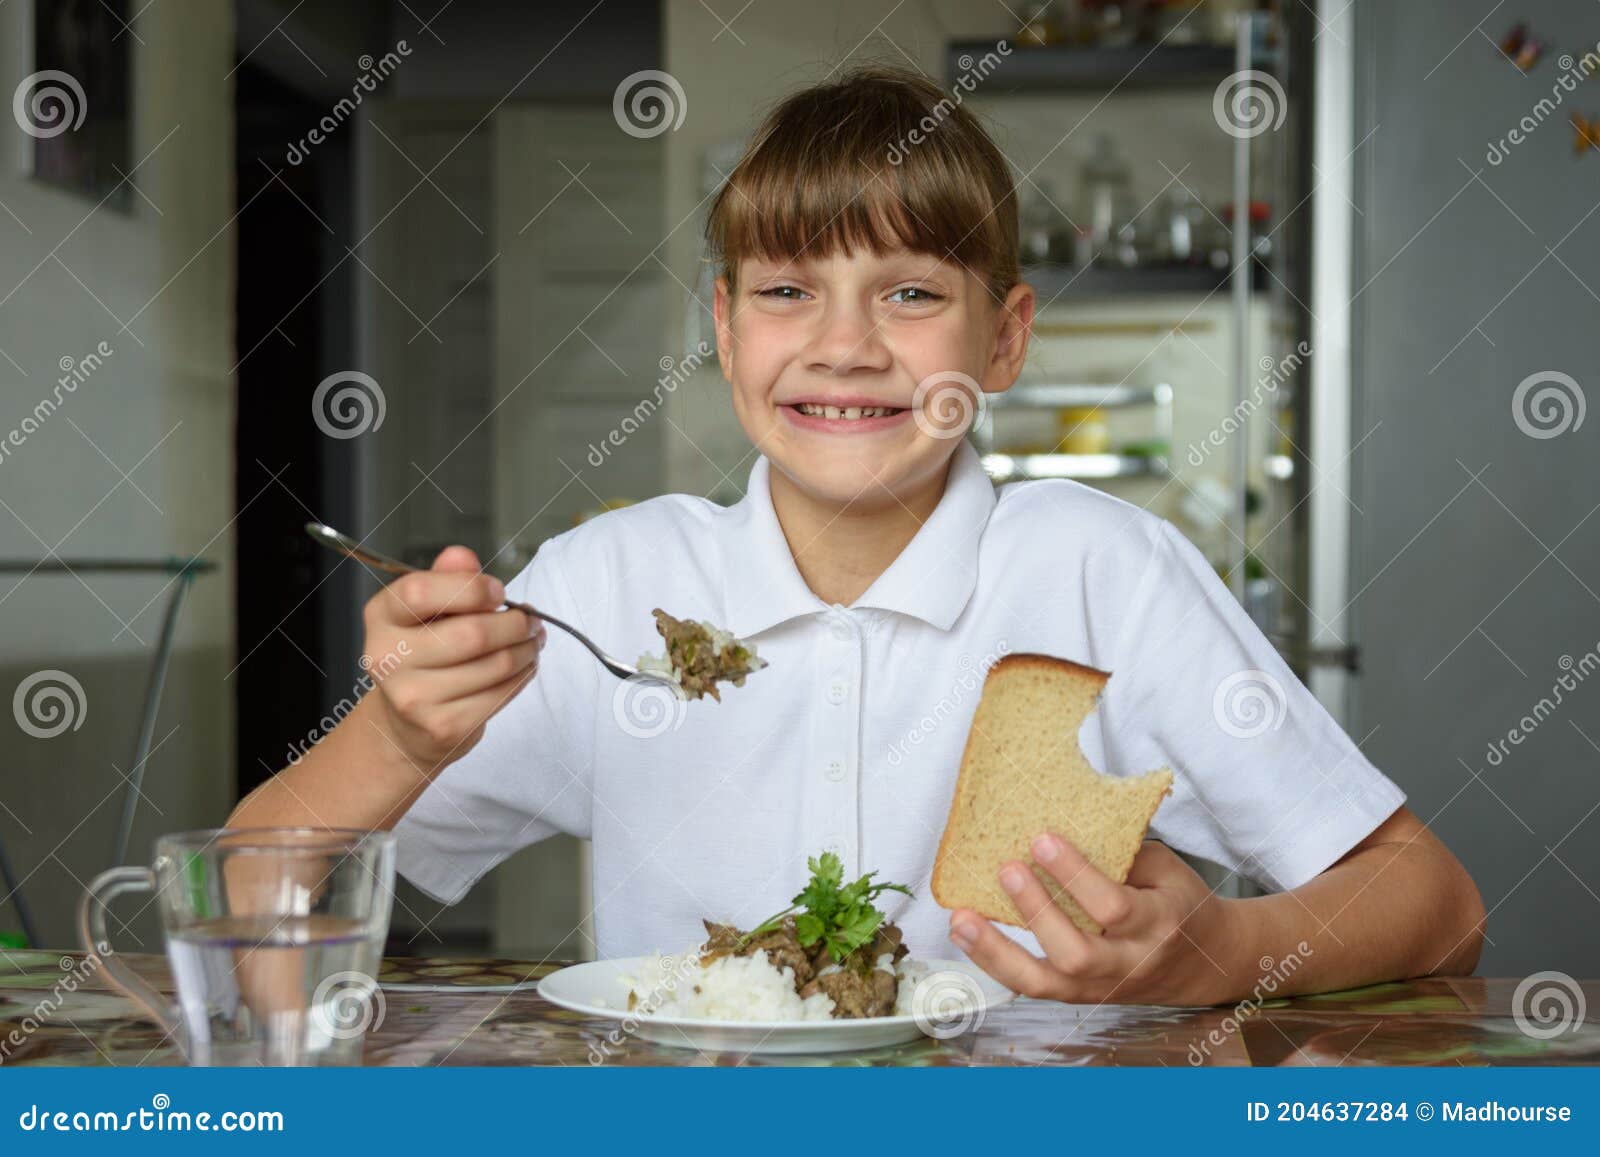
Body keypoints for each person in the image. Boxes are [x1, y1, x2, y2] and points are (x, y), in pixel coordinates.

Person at [231, 67, 1484, 1005]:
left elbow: (1436, 903)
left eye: (911, 293)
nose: (844, 344)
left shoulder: (1102, 571)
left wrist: (1220, 951)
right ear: (723, 331)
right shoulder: (612, 588)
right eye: (786, 290)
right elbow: (251, 914)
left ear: (1002, 338)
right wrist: (395, 734)